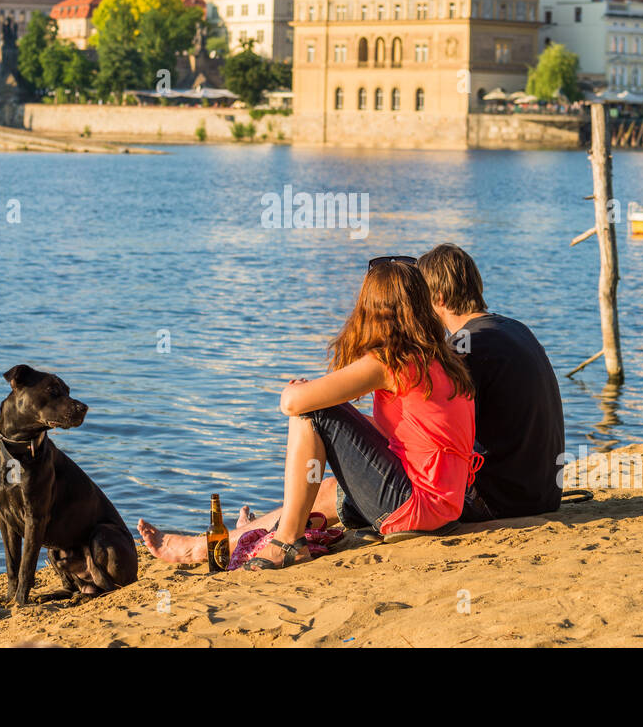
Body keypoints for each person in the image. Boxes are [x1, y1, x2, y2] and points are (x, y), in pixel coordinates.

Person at [138, 257, 478, 569]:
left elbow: (292, 405)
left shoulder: (390, 362)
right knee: (325, 487)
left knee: (311, 413)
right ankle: (208, 545)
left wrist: (297, 389)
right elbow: (415, 434)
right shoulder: (438, 360)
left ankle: (287, 541)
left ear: (374, 309)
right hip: (445, 506)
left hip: (415, 508)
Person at [417, 244, 564, 520]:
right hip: (543, 494)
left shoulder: (464, 346)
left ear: (438, 298)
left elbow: (438, 435)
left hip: (501, 503)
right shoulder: (514, 327)